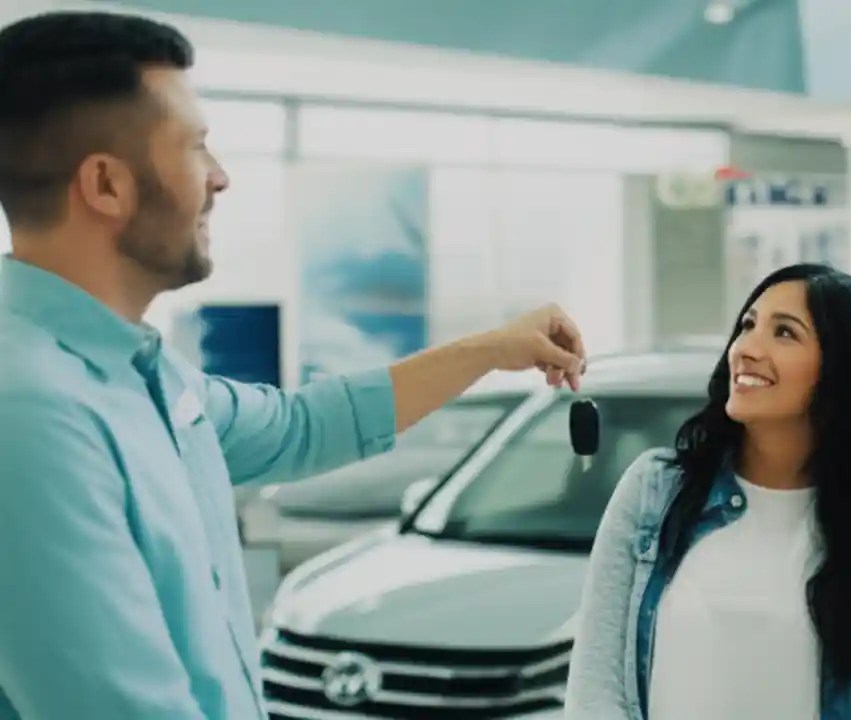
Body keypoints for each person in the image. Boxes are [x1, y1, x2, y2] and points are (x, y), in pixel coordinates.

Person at [0, 11, 587, 720]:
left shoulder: (144, 374)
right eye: (196, 147)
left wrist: (494, 348)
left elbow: (301, 426)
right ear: (106, 185)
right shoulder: (30, 416)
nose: (220, 178)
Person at [565, 263, 851, 720]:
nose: (746, 349)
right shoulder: (655, 490)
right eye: (748, 325)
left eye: (785, 333)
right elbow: (594, 689)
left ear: (845, 369)